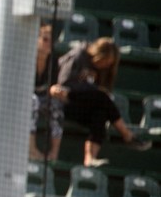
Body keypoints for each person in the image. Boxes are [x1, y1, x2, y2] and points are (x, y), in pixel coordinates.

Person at [50, 37, 151, 166]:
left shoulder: (101, 70)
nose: (106, 65)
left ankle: (90, 158)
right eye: (106, 61)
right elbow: (63, 84)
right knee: (101, 96)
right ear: (98, 54)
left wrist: (92, 90)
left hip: (81, 104)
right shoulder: (78, 55)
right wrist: (90, 89)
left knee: (101, 113)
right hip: (61, 103)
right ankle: (127, 135)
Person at [29, 23, 64, 162]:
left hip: (45, 98)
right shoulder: (27, 58)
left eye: (51, 40)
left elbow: (55, 84)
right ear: (35, 40)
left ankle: (53, 154)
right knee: (33, 101)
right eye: (45, 39)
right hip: (26, 99)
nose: (49, 43)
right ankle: (31, 150)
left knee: (57, 106)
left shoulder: (54, 60)